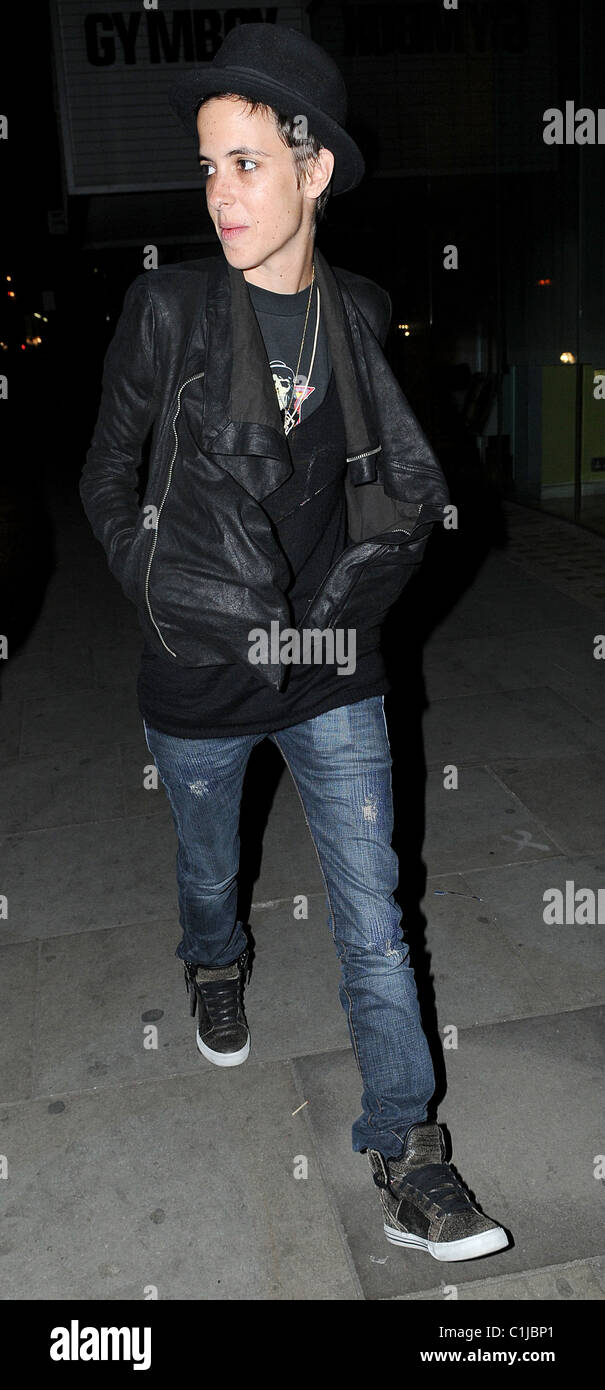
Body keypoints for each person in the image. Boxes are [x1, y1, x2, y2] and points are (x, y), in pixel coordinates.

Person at [80, 22, 510, 1263]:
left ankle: (405, 1150)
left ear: (314, 170)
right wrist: (148, 570)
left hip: (333, 667)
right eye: (207, 166)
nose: (218, 192)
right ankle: (213, 960)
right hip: (199, 673)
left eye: (246, 163)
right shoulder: (165, 310)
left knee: (374, 911)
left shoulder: (364, 313)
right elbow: (107, 470)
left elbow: (384, 492)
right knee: (213, 875)